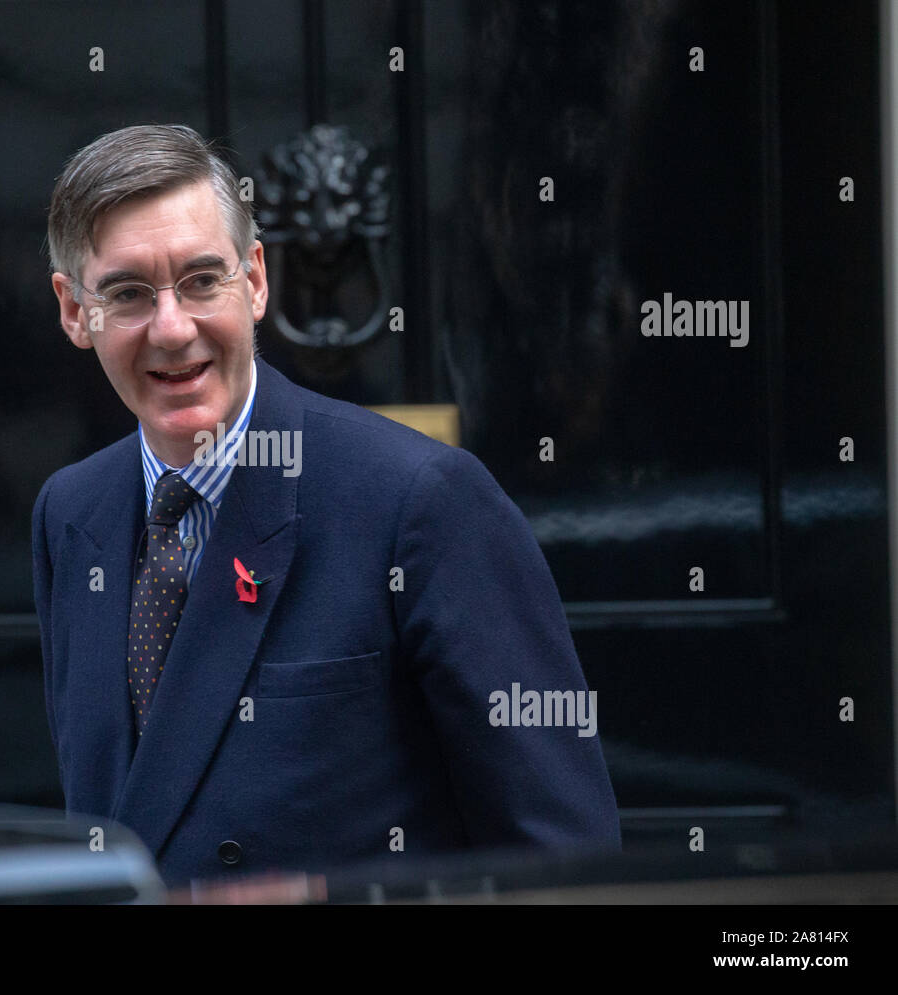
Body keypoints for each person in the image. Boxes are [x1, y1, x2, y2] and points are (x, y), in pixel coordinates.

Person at [32, 123, 620, 888]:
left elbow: (565, 860)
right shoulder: (70, 513)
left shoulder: (419, 501)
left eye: (203, 281)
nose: (173, 329)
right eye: (128, 293)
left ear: (255, 281)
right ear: (76, 312)